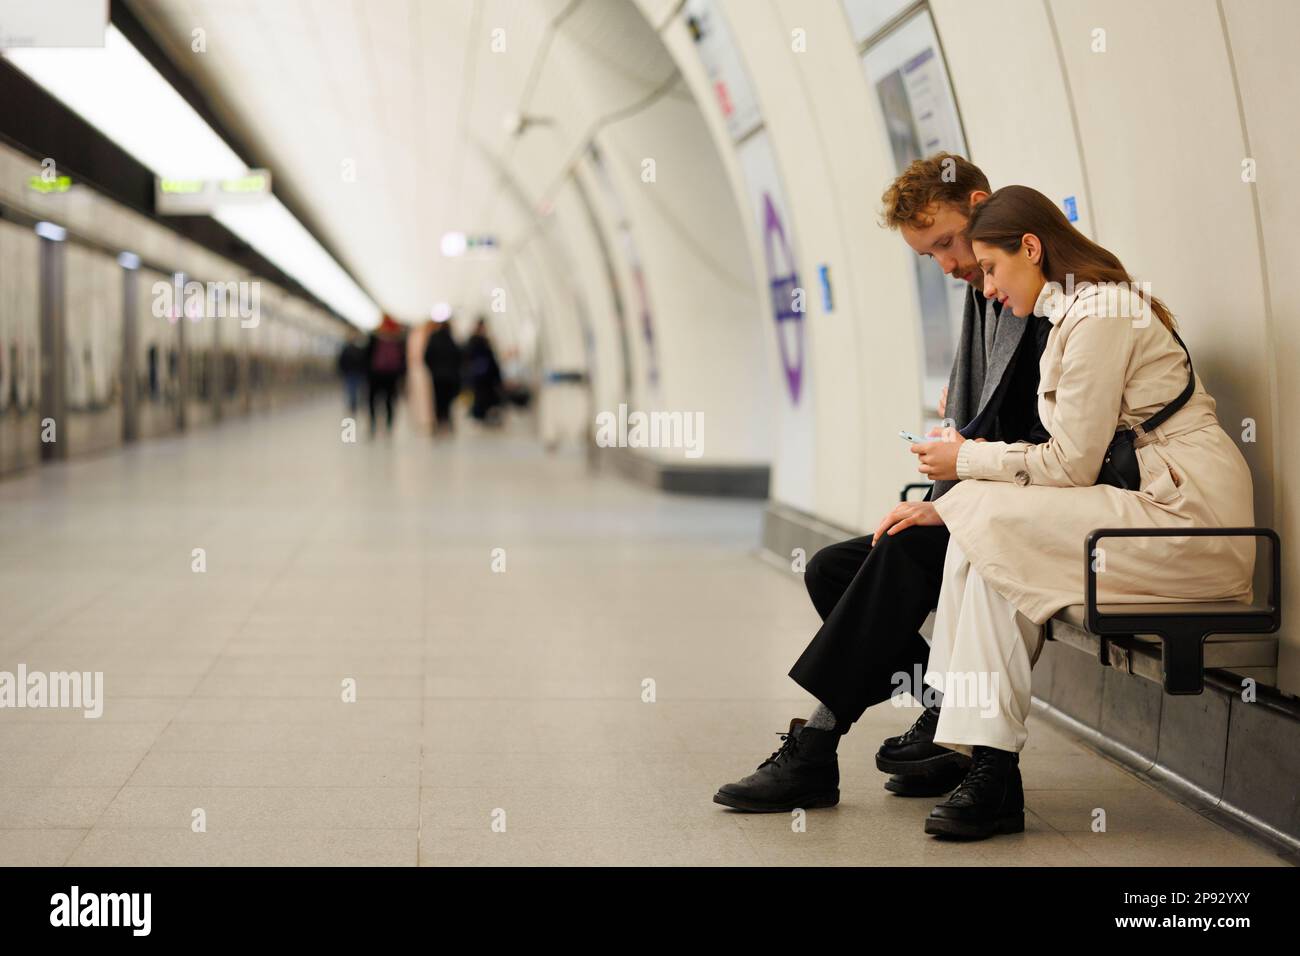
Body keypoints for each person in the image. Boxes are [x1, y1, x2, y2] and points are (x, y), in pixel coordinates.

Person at [903, 185, 1254, 839]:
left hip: (1192, 524)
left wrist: (965, 468)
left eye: (990, 268)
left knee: (984, 526)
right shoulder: (1077, 315)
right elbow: (1071, 464)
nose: (986, 287)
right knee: (982, 541)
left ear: (1030, 248)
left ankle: (981, 756)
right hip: (1150, 503)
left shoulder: (1103, 316)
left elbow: (1069, 464)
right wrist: (959, 505)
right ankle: (985, 758)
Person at [714, 154, 1050, 813]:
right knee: (831, 571)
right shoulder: (983, 301)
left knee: (892, 555)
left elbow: (1056, 445)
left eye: (948, 245)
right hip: (982, 499)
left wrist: (962, 469)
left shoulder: (1035, 295)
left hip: (1025, 510)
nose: (949, 266)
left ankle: (817, 744)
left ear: (982, 206)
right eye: (932, 256)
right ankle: (946, 708)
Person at [366, 315, 407, 435]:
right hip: (391, 376)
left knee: (373, 400)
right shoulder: (398, 339)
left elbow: (367, 356)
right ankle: (389, 425)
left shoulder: (374, 337)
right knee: (389, 401)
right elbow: (402, 359)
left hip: (376, 374)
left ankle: (373, 424)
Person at [422, 318, 462, 435]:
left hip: (437, 376)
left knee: (438, 400)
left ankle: (439, 422)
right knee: (448, 400)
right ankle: (447, 421)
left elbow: (427, 356)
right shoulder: (451, 339)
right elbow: (458, 356)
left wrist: (433, 369)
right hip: (450, 376)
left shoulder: (434, 338)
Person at [464, 317, 504, 424]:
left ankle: (482, 415)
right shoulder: (478, 341)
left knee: (484, 396)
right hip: (481, 375)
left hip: (483, 376)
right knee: (481, 396)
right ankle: (479, 415)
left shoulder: (478, 340)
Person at [337, 335, 367, 415]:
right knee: (358, 389)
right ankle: (356, 404)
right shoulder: (360, 350)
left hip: (350, 373)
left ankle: (353, 405)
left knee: (351, 390)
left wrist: (342, 371)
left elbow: (341, 361)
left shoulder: (346, 349)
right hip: (358, 373)